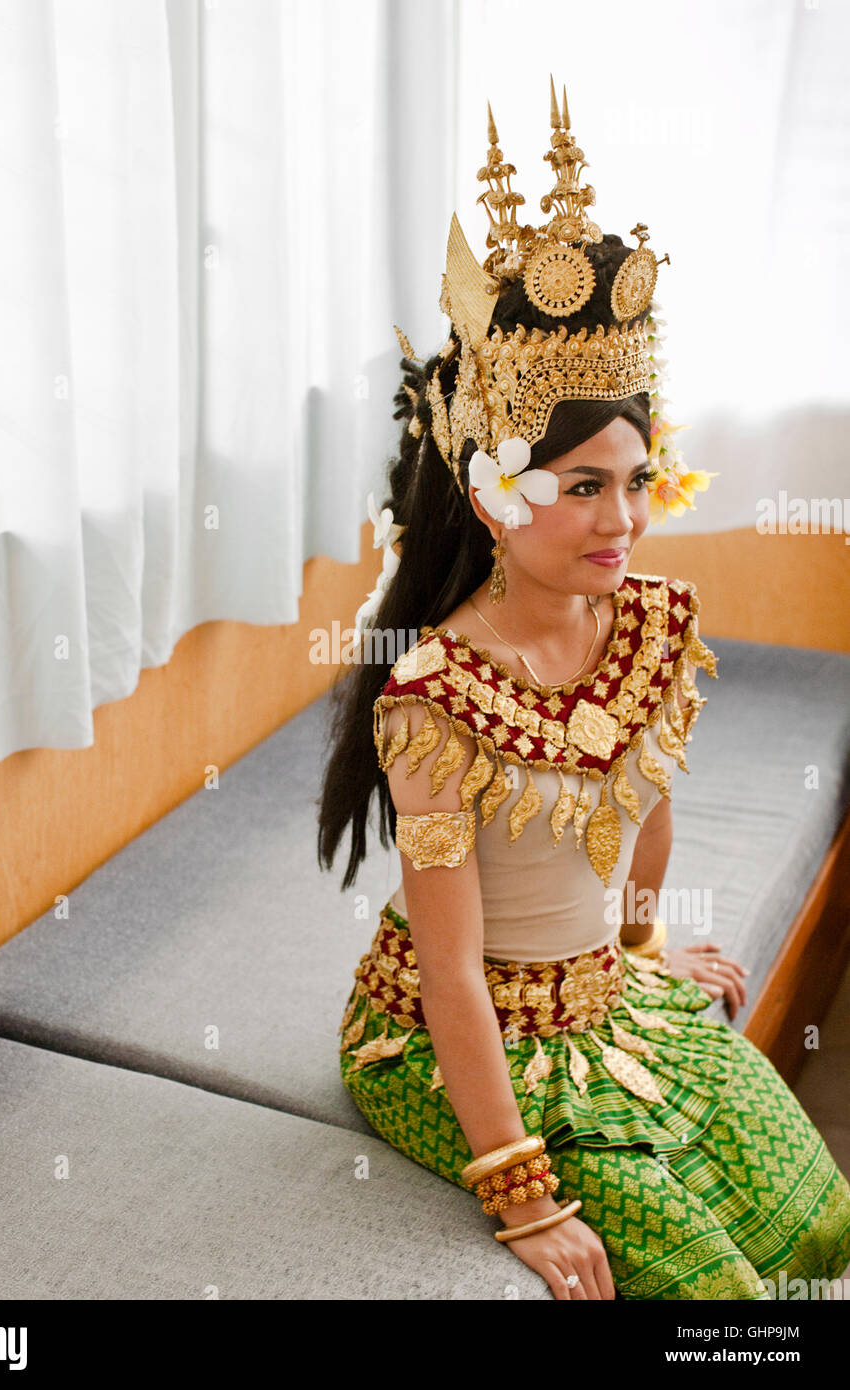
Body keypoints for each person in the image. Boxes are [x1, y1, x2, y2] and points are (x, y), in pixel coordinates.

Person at [316, 83, 850, 1300]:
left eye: (635, 478)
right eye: (577, 487)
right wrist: (520, 1190)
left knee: (811, 1216)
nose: (620, 520)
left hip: (601, 999)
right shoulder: (434, 698)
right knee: (713, 1294)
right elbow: (454, 970)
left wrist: (640, 949)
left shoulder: (649, 622)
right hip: (455, 1034)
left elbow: (646, 800)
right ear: (498, 491)